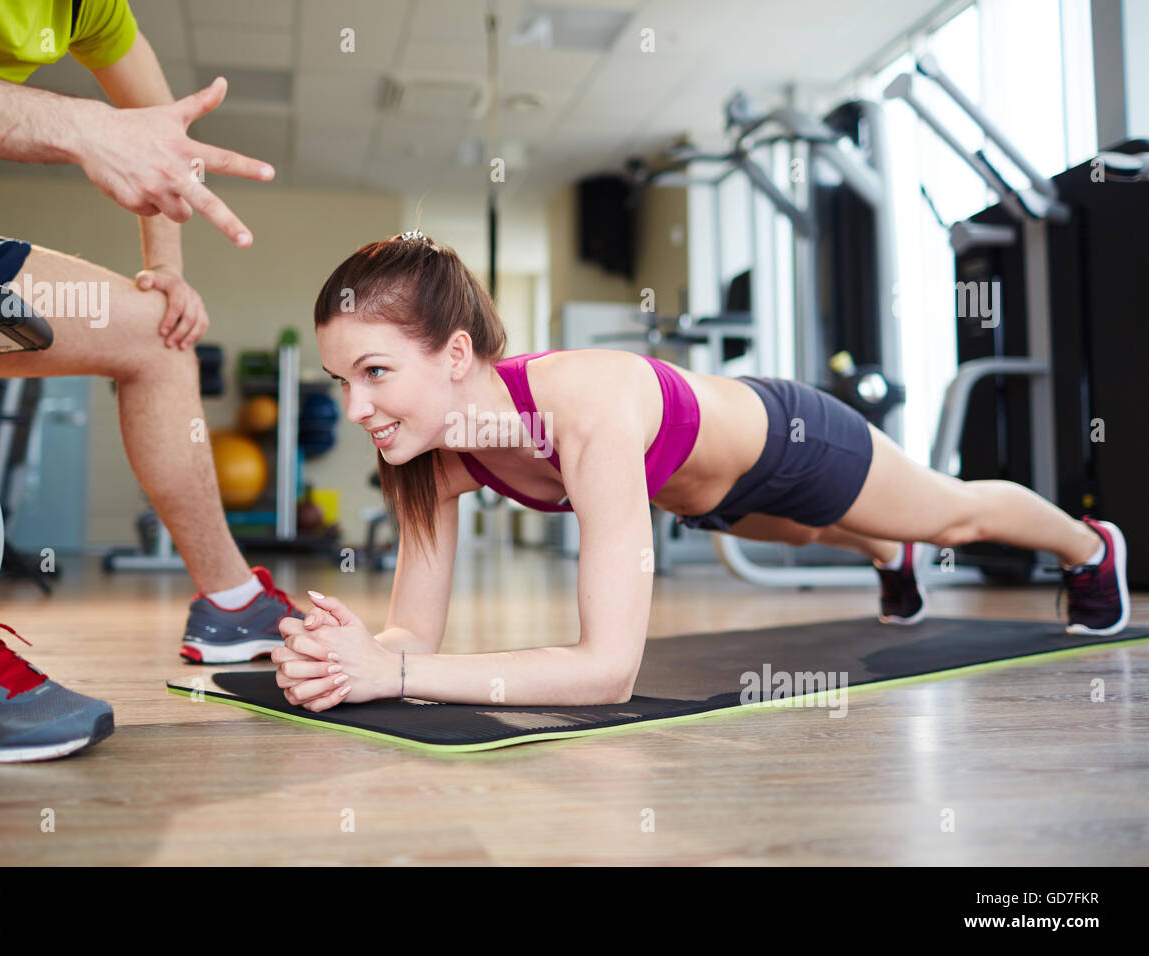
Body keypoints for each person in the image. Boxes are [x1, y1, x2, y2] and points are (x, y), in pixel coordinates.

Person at [271, 231, 1131, 713]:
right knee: (812, 532)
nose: (357, 410)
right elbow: (408, 636)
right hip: (710, 499)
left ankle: (1091, 546)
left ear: (456, 354)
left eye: (376, 373)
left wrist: (399, 677)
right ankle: (886, 557)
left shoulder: (588, 410)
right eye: (340, 381)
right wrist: (342, 654)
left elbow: (608, 674)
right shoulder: (422, 458)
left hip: (793, 440)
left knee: (952, 517)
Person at [0, 0, 305, 762]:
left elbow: (161, 128)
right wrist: (79, 127)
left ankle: (233, 603)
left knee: (160, 334)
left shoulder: (91, 8)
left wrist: (166, 271)